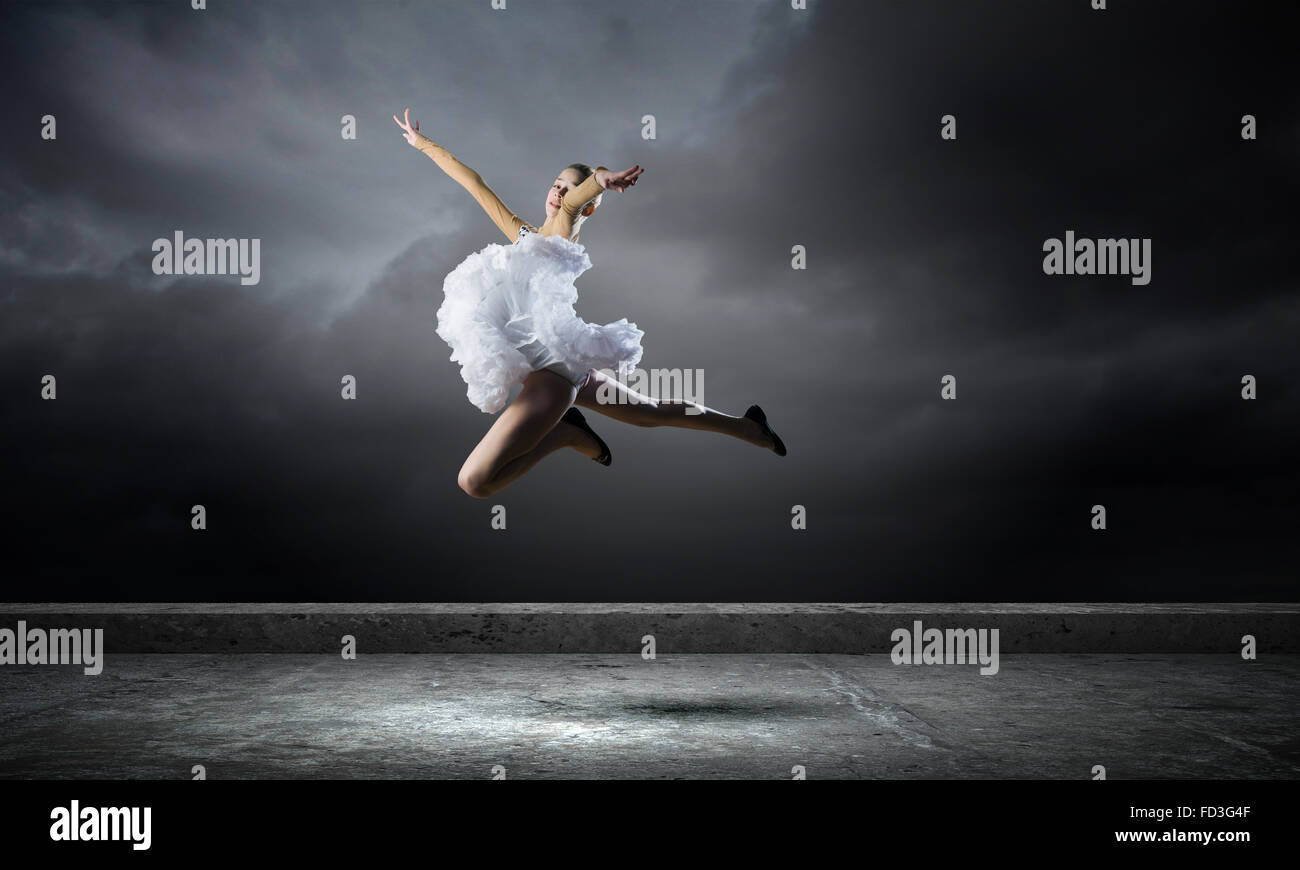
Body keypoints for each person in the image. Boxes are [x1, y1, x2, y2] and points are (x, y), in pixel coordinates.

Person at [394, 108, 786, 498]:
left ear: (587, 207)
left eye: (568, 188)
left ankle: (562, 435)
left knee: (474, 483)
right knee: (649, 413)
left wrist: (601, 179)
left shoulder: (565, 227)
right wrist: (421, 143)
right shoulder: (525, 236)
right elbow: (476, 185)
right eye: (555, 184)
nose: (558, 193)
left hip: (552, 378)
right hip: (566, 365)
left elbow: (575, 202)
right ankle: (748, 427)